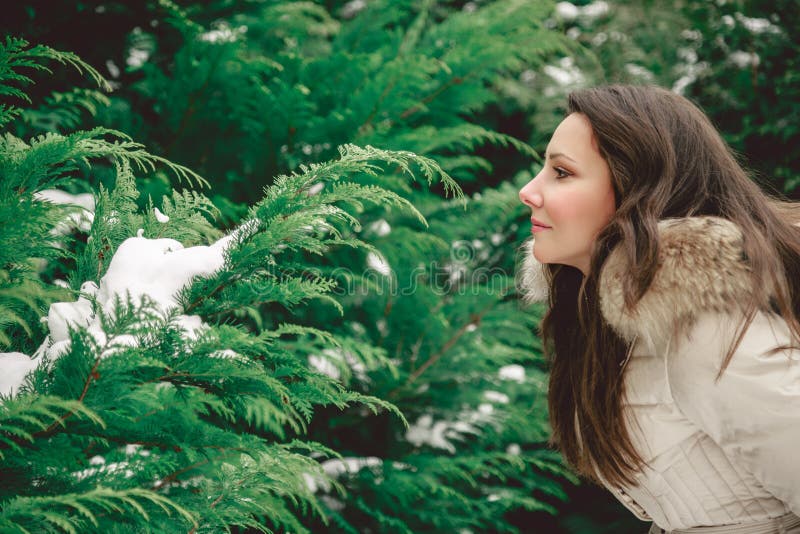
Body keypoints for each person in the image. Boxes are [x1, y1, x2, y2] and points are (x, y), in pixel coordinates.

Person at [516, 84, 800, 533]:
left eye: (562, 173)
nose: (528, 191)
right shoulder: (617, 323)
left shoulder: (710, 335)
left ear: (635, 191)